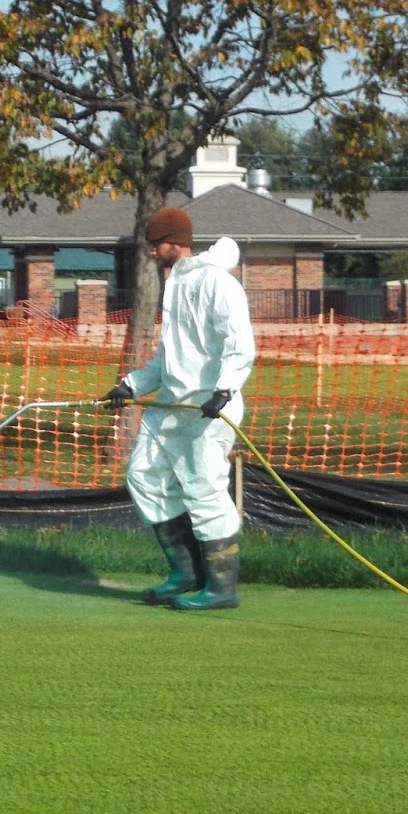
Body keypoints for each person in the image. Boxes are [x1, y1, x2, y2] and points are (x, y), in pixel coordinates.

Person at [100, 206, 255, 610]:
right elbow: (168, 359)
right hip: (173, 405)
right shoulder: (176, 283)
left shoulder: (217, 282)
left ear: (174, 242)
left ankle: (222, 588)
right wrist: (131, 385)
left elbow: (239, 344)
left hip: (209, 408)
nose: (151, 252)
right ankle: (186, 573)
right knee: (143, 476)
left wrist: (224, 391)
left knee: (204, 489)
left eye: (155, 244)